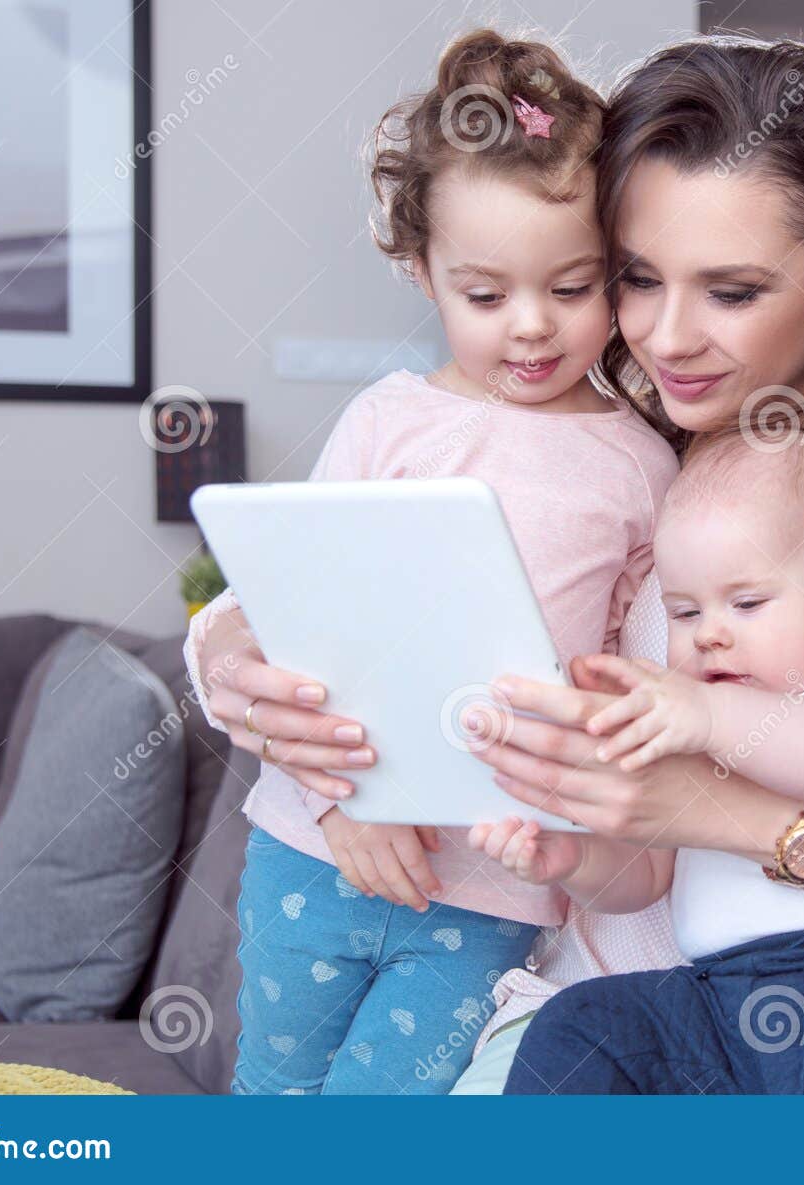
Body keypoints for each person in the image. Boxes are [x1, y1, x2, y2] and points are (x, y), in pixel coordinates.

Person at [189, 34, 804, 1096]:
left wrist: (724, 814)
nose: (665, 340)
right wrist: (231, 651)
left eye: (731, 291)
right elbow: (348, 583)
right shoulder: (593, 450)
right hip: (591, 1017)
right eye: (638, 279)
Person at [182, 28, 678, 1095]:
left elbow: (633, 683)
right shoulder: (387, 422)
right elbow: (291, 623)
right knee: (272, 1104)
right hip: (314, 856)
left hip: (492, 894)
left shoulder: (643, 467)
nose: (533, 327)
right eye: (486, 295)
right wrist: (335, 801)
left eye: (575, 287)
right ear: (420, 272)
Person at [468, 430, 804, 1092]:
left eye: (748, 603)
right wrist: (576, 860)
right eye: (684, 610)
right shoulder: (689, 728)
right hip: (717, 1003)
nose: (709, 633)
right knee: (580, 1025)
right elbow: (646, 873)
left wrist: (710, 717)